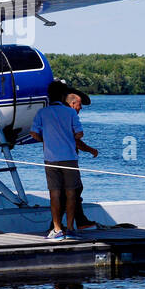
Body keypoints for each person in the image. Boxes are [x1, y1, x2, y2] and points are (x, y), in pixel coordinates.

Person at [31, 81, 87, 240]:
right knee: (71, 194)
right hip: (69, 157)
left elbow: (34, 133)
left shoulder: (42, 113)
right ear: (64, 96)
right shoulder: (70, 113)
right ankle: (70, 228)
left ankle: (57, 229)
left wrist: (46, 139)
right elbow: (79, 134)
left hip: (51, 158)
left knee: (54, 194)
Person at [64, 89, 102, 230]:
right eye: (80, 105)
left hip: (56, 158)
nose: (81, 108)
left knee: (67, 190)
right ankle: (79, 222)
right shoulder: (70, 116)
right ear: (73, 104)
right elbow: (76, 139)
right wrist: (91, 150)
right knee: (75, 189)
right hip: (68, 159)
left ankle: (69, 222)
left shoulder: (58, 115)